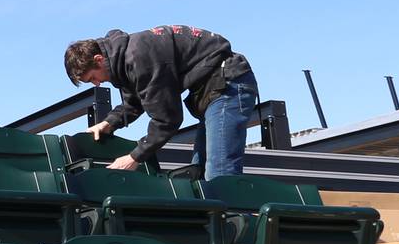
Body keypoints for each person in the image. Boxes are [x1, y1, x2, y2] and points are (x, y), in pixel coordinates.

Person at [63, 25, 259, 180]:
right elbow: (134, 102)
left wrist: (134, 158)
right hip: (213, 91)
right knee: (199, 174)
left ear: (98, 60)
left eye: (93, 78)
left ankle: (238, 226)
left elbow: (167, 119)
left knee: (220, 174)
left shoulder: (139, 58)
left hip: (229, 85)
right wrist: (109, 123)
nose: (97, 84)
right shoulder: (123, 60)